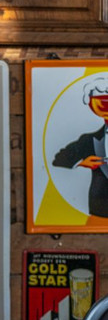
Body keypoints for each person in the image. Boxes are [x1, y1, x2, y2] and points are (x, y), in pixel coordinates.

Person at [51, 75, 108, 218]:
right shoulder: (88, 140)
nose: (104, 103)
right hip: (100, 210)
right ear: (91, 105)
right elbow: (58, 161)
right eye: (100, 99)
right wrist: (81, 165)